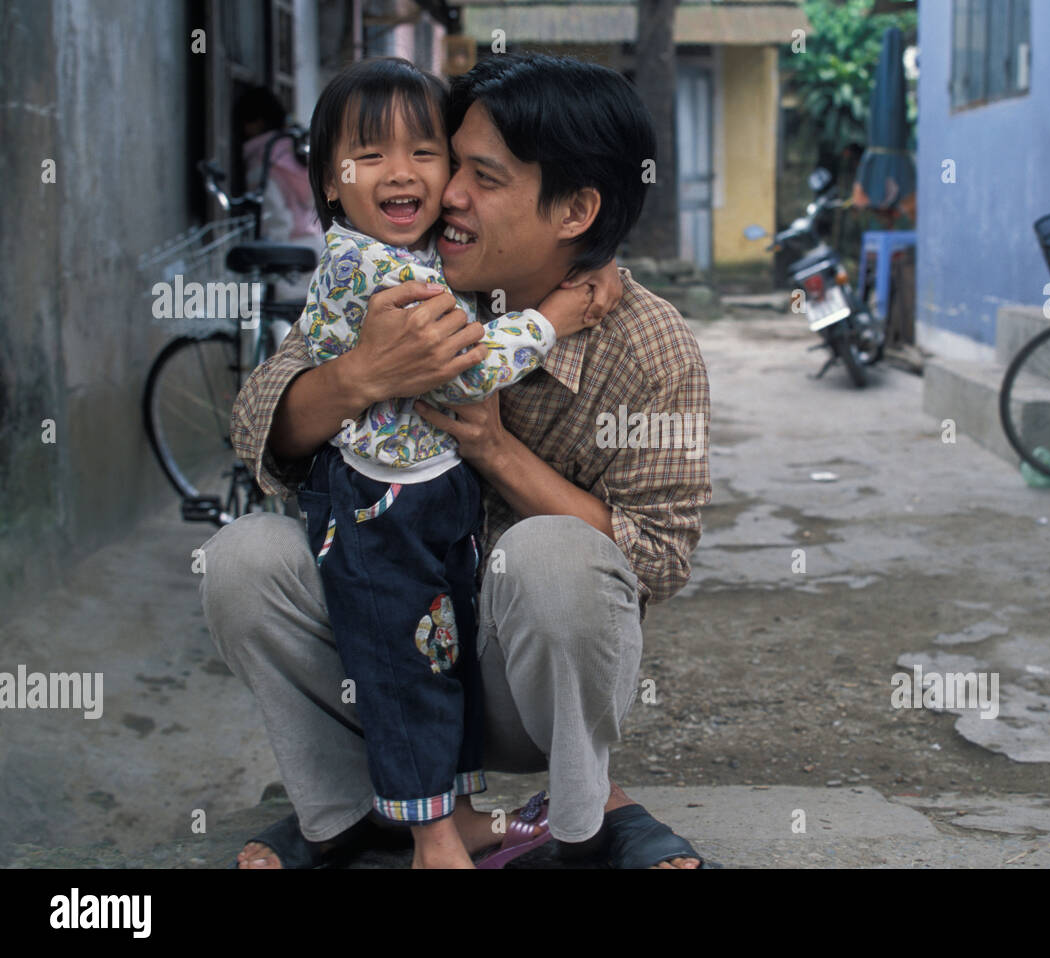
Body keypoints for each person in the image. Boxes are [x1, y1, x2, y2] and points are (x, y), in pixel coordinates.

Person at [202, 52, 715, 869]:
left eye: (481, 175)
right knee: (242, 559)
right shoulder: (398, 276)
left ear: (576, 209)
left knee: (553, 555)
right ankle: (354, 812)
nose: (447, 197)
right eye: (455, 166)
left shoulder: (652, 350)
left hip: (513, 688)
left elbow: (657, 555)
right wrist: (357, 376)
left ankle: (586, 818)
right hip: (383, 656)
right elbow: (257, 423)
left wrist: (493, 447)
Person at [293, 58, 609, 869]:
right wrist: (553, 316)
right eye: (369, 153)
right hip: (376, 503)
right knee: (400, 665)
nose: (403, 173)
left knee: (445, 650)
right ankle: (433, 839)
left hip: (432, 493)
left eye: (427, 153)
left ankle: (460, 812)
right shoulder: (365, 266)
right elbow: (464, 368)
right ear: (331, 183)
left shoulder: (424, 250)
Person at [235, 87, 324, 300]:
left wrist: (267, 258)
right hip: (316, 243)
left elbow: (275, 218)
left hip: (290, 253)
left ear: (256, 122)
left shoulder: (263, 161)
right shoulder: (293, 149)